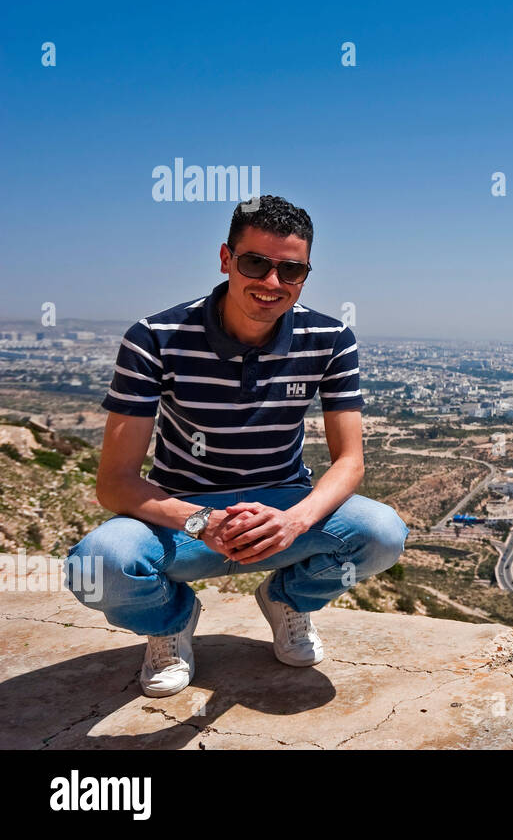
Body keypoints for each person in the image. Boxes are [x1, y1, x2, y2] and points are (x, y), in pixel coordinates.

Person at [65, 195, 408, 697]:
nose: (272, 283)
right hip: (181, 515)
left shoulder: (331, 338)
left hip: (283, 511)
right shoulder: (155, 337)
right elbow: (115, 483)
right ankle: (170, 623)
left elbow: (350, 462)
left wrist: (294, 520)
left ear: (306, 274)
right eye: (255, 263)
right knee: (95, 565)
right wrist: (201, 521)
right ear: (226, 259)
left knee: (383, 533)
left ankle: (289, 600)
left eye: (290, 270)